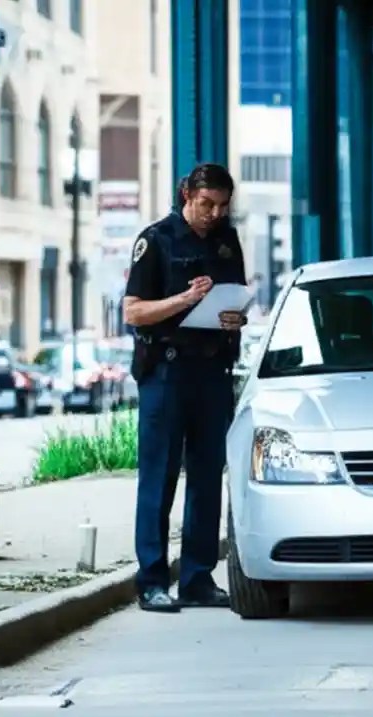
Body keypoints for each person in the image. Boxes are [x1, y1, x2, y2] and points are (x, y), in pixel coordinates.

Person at [122, 163, 247, 612]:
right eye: (206, 204)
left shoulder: (227, 241)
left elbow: (234, 296)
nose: (214, 213)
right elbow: (133, 312)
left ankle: (197, 577)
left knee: (208, 477)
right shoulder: (156, 240)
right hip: (167, 372)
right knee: (159, 477)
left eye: (222, 205)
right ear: (185, 195)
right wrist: (184, 300)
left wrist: (236, 317)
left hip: (212, 372)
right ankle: (152, 579)